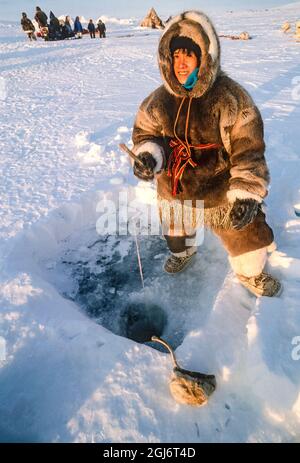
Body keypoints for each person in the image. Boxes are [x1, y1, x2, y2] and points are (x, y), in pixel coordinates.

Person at [131, 11, 281, 297]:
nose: (181, 63)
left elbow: (248, 151)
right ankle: (184, 251)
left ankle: (251, 273)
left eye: (189, 54)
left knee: (246, 235)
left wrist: (246, 194)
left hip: (219, 191)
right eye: (175, 56)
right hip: (174, 188)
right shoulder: (158, 99)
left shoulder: (232, 98)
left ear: (205, 56)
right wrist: (148, 155)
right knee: (176, 234)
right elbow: (145, 133)